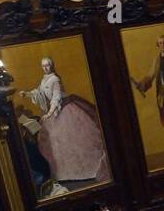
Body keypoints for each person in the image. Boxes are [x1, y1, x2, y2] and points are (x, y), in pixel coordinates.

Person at [16, 56, 110, 197]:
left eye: (48, 65)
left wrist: (50, 113)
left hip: (63, 110)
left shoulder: (55, 79)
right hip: (54, 112)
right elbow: (40, 92)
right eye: (43, 66)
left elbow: (56, 97)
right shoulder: (45, 79)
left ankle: (82, 171)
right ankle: (62, 174)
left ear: (52, 66)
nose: (46, 68)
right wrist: (27, 94)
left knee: (71, 139)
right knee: (52, 141)